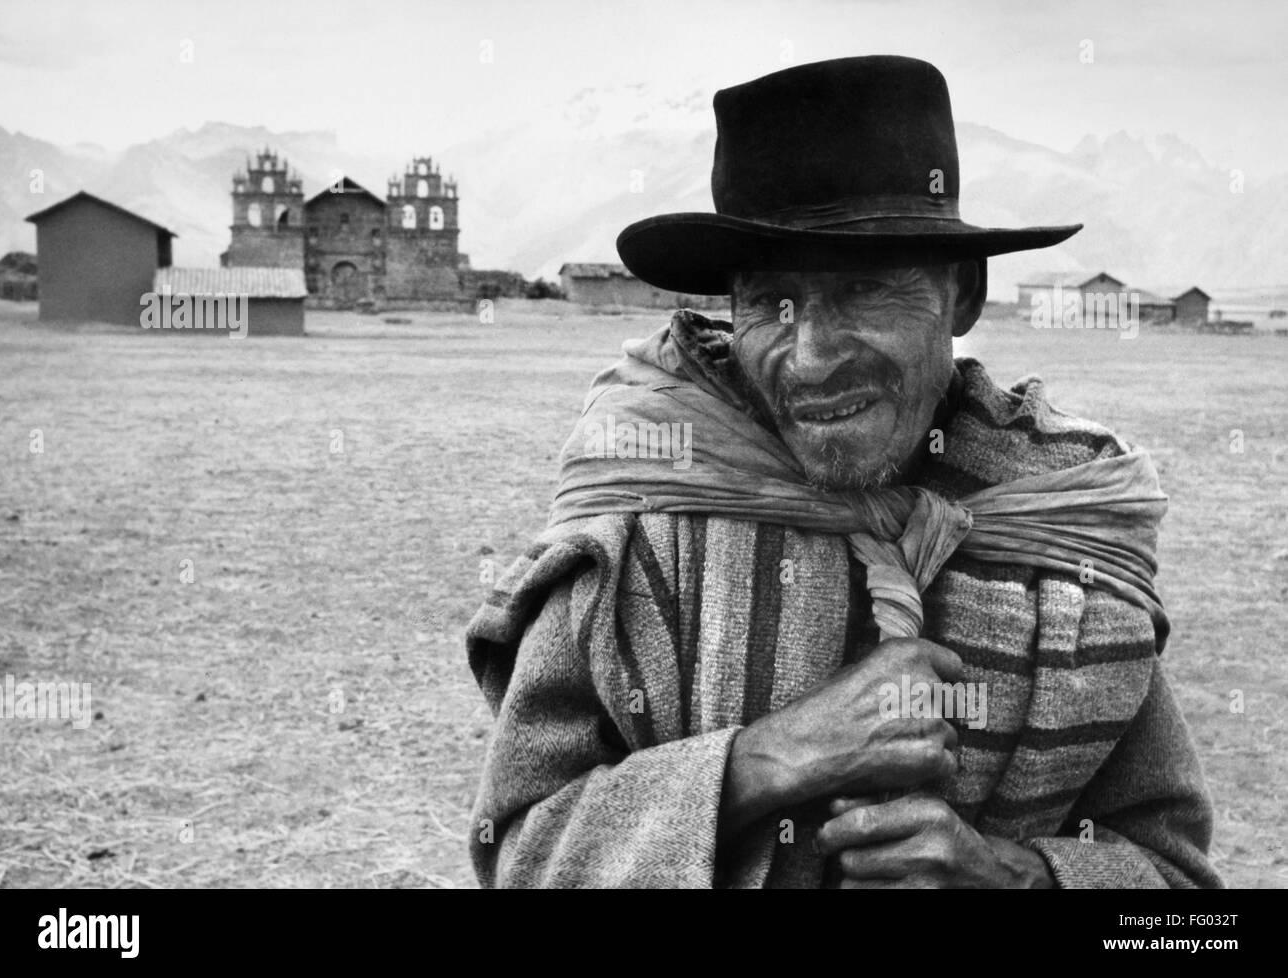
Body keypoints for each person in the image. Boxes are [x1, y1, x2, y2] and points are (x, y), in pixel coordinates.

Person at [465, 55, 1221, 889]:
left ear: (961, 296)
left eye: (863, 291)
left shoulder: (1065, 529)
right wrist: (768, 761)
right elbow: (519, 855)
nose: (811, 358)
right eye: (770, 302)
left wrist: (1004, 877)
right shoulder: (644, 513)